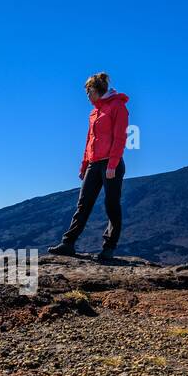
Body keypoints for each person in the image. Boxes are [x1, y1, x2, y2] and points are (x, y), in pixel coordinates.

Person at [48, 72, 129, 261]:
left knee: (111, 205)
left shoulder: (118, 106)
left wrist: (113, 164)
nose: (87, 96)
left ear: (96, 90)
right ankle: (68, 243)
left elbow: (120, 137)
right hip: (94, 164)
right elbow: (89, 140)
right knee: (83, 204)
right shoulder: (94, 112)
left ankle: (109, 247)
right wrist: (84, 164)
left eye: (88, 92)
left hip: (111, 164)